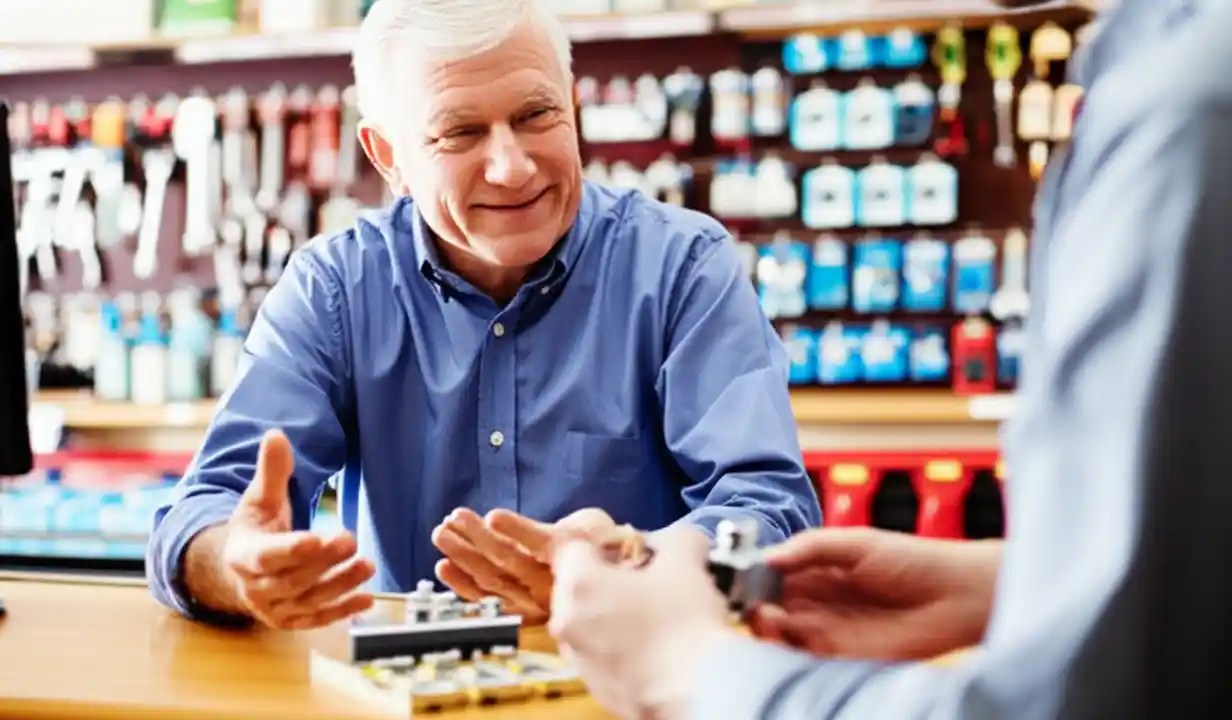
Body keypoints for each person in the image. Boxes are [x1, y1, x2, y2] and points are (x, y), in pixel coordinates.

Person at [546, 0, 1232, 717]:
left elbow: (1083, 702)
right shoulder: (1206, 76)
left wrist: (691, 674)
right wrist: (1002, 586)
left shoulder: (1204, 110)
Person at [144, 0, 821, 630]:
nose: (512, 167)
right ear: (387, 157)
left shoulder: (683, 268)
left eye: (535, 116)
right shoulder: (336, 288)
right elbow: (203, 517)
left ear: (573, 107)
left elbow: (773, 516)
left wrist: (634, 559)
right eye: (461, 132)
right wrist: (234, 565)